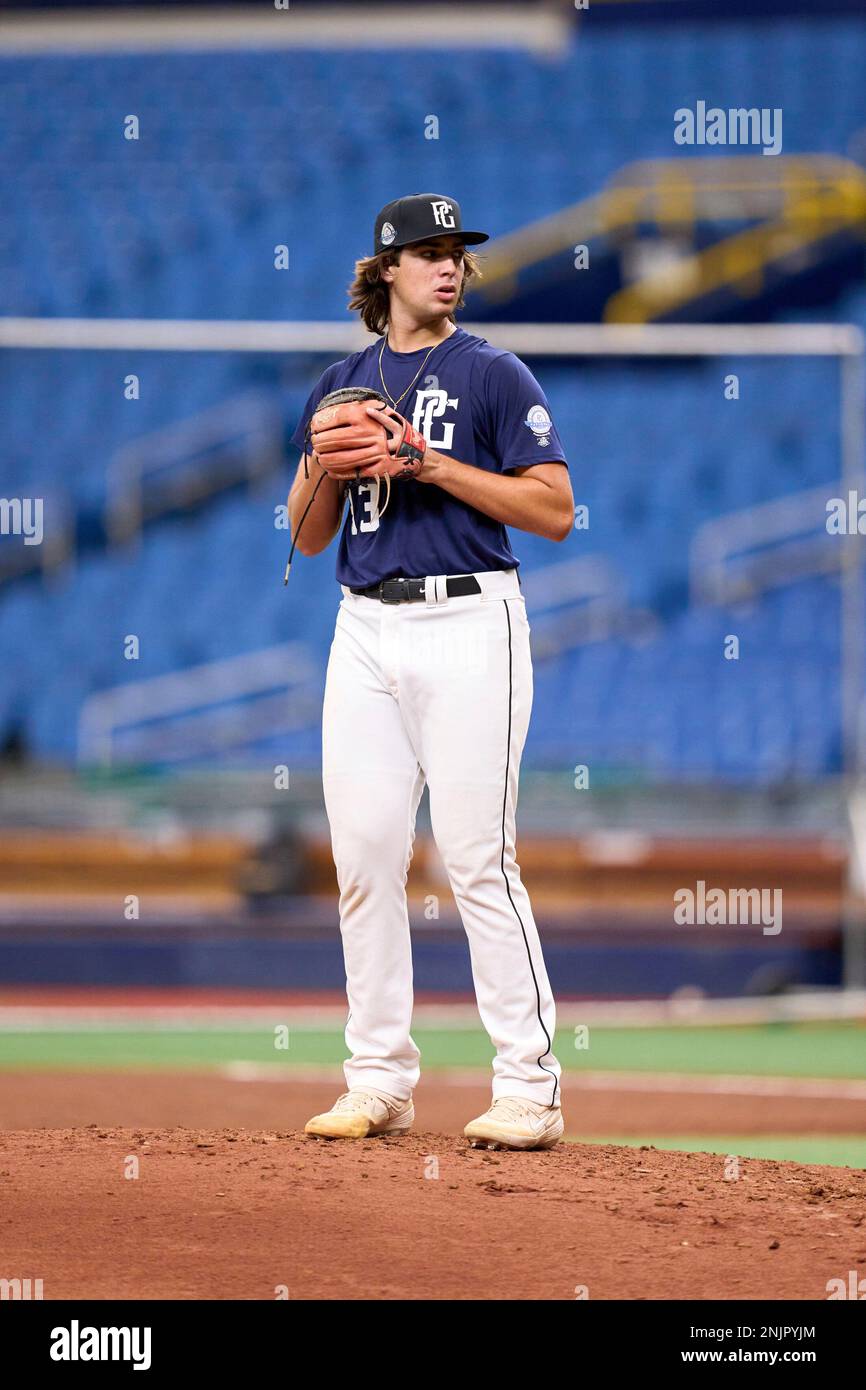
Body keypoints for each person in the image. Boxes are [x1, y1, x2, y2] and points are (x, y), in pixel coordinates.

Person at [288, 193, 574, 1150]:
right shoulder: (340, 382)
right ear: (385, 271)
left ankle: (528, 1086)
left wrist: (428, 463)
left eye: (456, 253)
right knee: (365, 859)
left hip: (468, 621)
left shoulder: (491, 373)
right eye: (426, 252)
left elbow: (553, 510)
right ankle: (378, 1080)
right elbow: (304, 534)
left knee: (476, 861)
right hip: (363, 627)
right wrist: (322, 457)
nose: (447, 266)